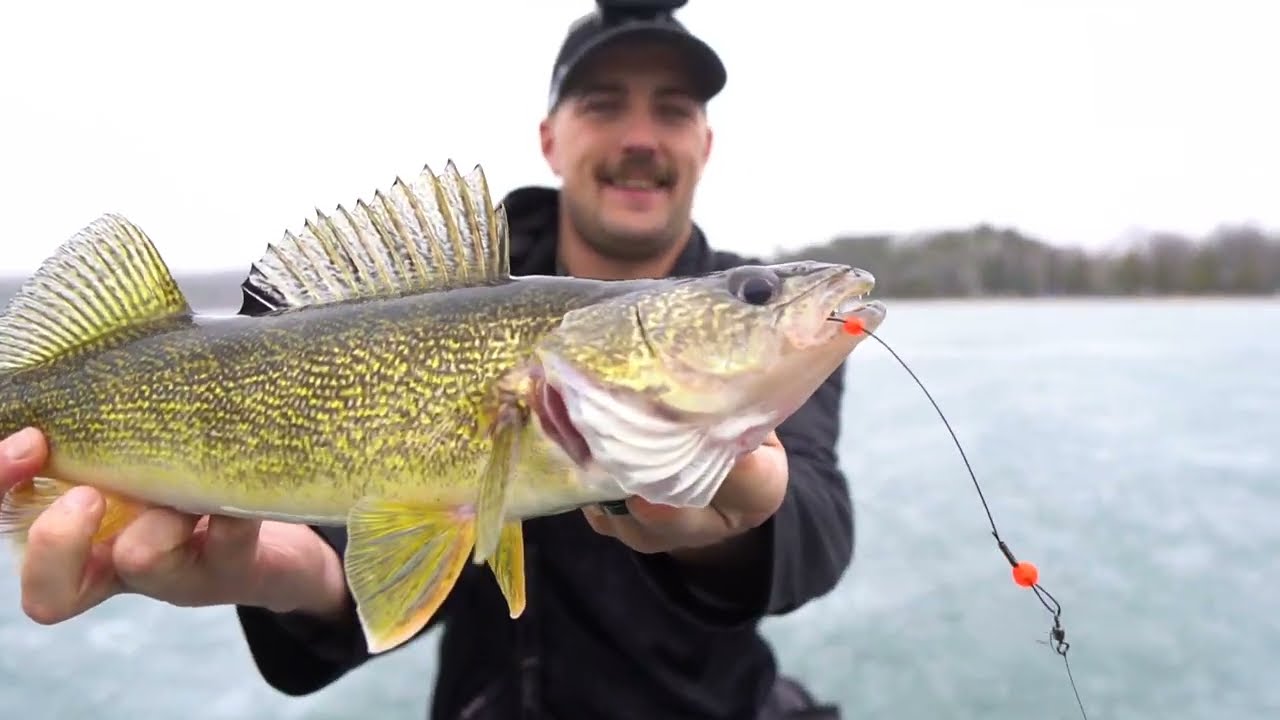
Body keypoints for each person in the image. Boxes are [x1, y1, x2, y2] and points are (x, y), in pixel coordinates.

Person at [0, 2, 853, 718]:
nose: (640, 136)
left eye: (672, 110)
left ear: (706, 143)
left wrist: (738, 528)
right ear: (551, 139)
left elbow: (817, 521)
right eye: (603, 105)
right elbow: (356, 550)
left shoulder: (774, 365)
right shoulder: (455, 293)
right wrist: (290, 579)